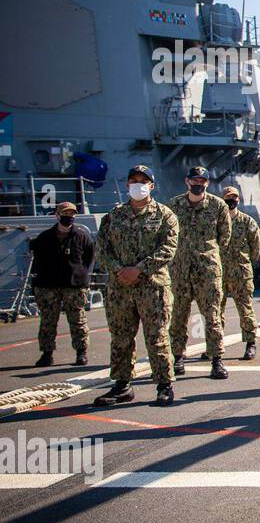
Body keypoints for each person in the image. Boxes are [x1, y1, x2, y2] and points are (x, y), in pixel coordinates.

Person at [94, 165, 179, 405]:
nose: (138, 185)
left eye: (143, 181)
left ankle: (164, 385)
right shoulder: (114, 216)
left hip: (153, 288)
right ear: (127, 184)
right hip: (120, 288)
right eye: (133, 180)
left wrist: (139, 269)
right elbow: (102, 248)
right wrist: (120, 271)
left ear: (152, 185)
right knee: (120, 338)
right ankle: (122, 385)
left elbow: (168, 249)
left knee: (157, 337)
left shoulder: (165, 215)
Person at [168, 166, 231, 380]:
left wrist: (207, 255)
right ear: (187, 181)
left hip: (208, 270)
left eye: (202, 180)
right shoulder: (174, 205)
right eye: (195, 179)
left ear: (207, 183)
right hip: (180, 270)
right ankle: (177, 357)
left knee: (212, 315)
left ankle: (216, 360)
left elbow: (224, 237)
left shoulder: (218, 205)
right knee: (178, 315)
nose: (199, 183)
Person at [30, 201, 95, 367]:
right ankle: (47, 354)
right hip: (48, 285)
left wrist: (83, 277)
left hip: (74, 286)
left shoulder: (81, 236)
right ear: (57, 215)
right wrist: (37, 284)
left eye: (72, 214)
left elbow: (89, 257)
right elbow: (38, 262)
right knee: (48, 321)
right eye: (65, 214)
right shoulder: (44, 238)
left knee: (78, 320)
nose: (69, 217)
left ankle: (81, 353)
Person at [219, 186, 260, 360]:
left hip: (241, 273)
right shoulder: (216, 222)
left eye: (234, 197)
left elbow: (255, 247)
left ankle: (251, 344)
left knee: (245, 310)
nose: (232, 200)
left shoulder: (247, 222)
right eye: (228, 197)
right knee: (215, 311)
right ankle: (215, 346)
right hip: (218, 273)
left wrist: (246, 263)